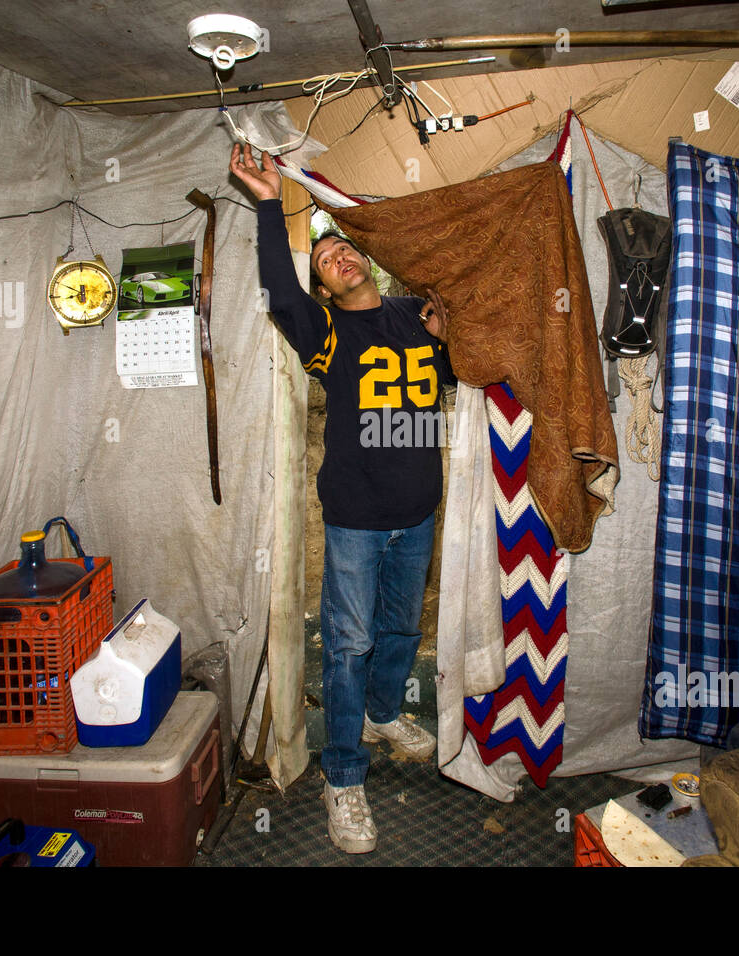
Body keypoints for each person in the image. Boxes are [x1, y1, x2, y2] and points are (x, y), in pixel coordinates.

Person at [229, 143, 452, 854]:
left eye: (344, 250)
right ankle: (344, 779)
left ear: (367, 260)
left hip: (419, 512)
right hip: (355, 520)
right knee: (349, 643)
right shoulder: (325, 333)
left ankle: (385, 713)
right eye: (324, 260)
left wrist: (449, 335)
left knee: (401, 632)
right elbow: (276, 286)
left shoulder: (419, 315)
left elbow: (464, 344)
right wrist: (270, 204)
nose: (338, 258)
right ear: (322, 289)